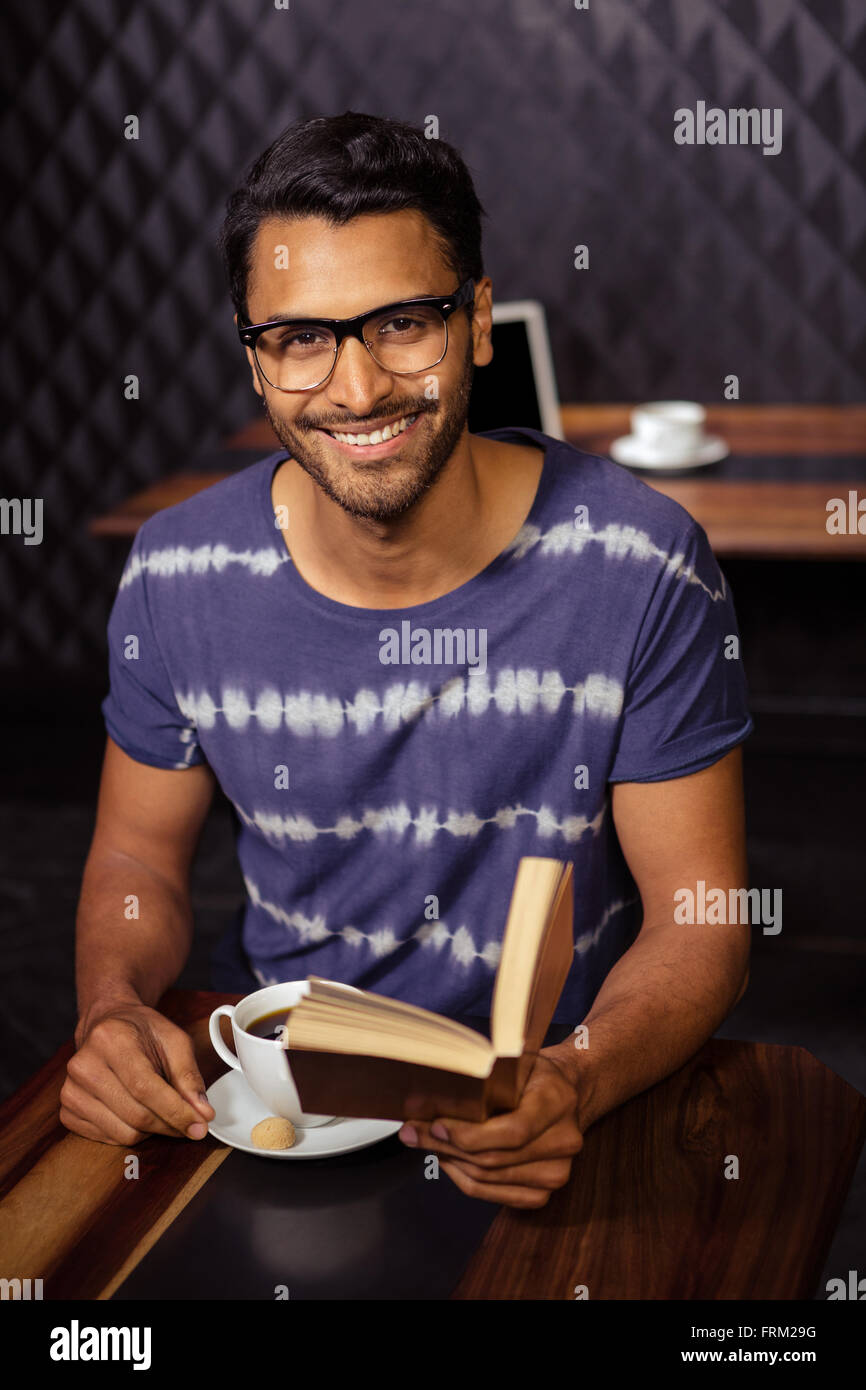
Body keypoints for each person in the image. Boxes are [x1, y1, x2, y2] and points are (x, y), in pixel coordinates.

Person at [62, 111, 752, 1209]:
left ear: (477, 322)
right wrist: (110, 1005)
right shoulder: (173, 574)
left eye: (401, 324)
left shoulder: (640, 560)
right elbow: (138, 863)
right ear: (254, 357)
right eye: (299, 337)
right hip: (284, 1105)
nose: (356, 388)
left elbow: (701, 914)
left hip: (564, 1093)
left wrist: (575, 1077)